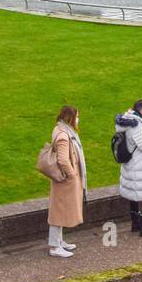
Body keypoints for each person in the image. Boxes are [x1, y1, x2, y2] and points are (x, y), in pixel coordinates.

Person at [115, 99, 142, 237]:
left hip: (130, 164)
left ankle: (135, 223)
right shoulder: (137, 124)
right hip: (140, 164)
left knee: (133, 194)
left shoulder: (126, 119)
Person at [47, 106, 86, 256]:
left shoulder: (61, 129)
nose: (78, 119)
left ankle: (59, 242)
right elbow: (63, 159)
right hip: (65, 180)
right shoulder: (64, 135)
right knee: (58, 213)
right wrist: (73, 175)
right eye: (76, 116)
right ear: (70, 118)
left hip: (62, 180)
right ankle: (55, 247)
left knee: (60, 211)